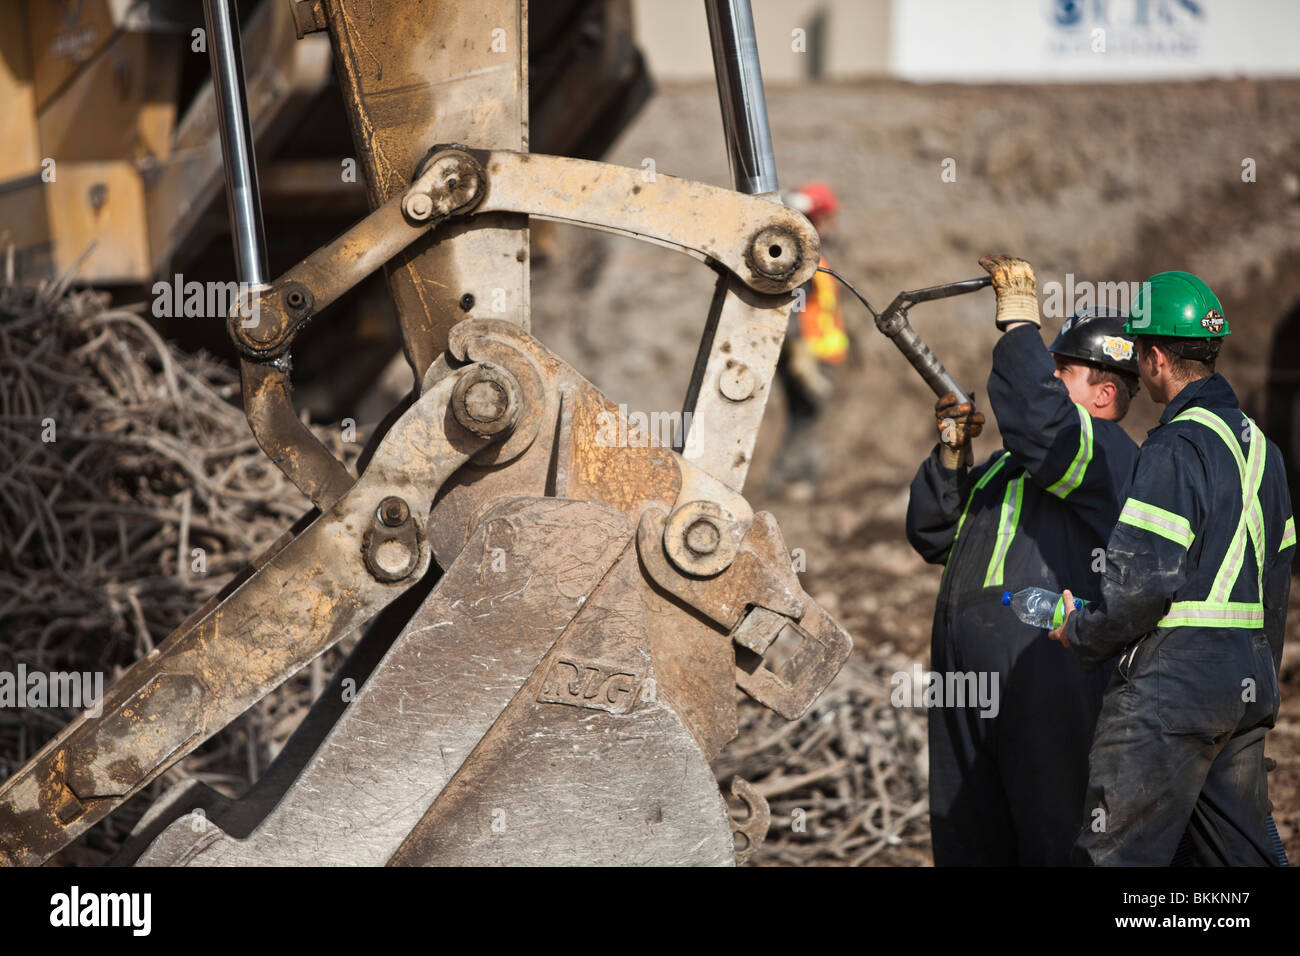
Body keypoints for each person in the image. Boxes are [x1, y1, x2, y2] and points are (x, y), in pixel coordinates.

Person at [1050, 271, 1295, 866]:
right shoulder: (1264, 449)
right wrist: (1256, 675)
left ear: (1157, 356)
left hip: (1171, 693)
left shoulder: (1175, 444)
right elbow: (1277, 582)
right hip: (1243, 687)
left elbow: (1142, 584)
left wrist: (1080, 631)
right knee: (1239, 862)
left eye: (1139, 352)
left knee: (1116, 858)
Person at [906, 255, 1140, 865]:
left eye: (1063, 368)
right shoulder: (1011, 469)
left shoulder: (1109, 454)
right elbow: (933, 536)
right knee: (969, 833)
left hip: (1045, 669)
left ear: (1105, 391)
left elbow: (1040, 421)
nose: (1048, 375)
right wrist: (953, 456)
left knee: (1051, 829)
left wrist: (1017, 325)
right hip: (964, 675)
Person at [769, 182, 850, 493]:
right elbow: (791, 308)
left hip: (816, 353)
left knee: (804, 420)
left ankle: (791, 481)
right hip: (811, 355)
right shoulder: (803, 261)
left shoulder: (812, 257)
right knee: (808, 420)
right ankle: (794, 481)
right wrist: (801, 354)